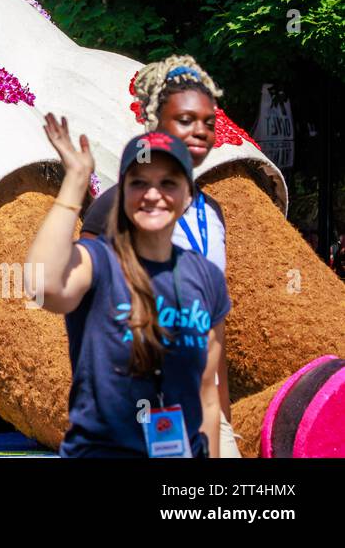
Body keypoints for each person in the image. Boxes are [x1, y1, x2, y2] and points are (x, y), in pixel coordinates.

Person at [28, 119, 229, 457]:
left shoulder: (207, 278)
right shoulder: (99, 262)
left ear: (187, 195)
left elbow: (208, 393)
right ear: (122, 194)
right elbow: (42, 286)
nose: (153, 194)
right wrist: (76, 181)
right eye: (139, 183)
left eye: (167, 182)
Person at [79, 55, 242, 456]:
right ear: (155, 124)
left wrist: (222, 418)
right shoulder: (116, 206)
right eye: (184, 120)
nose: (199, 131)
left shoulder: (213, 214)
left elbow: (212, 330)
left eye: (207, 121)